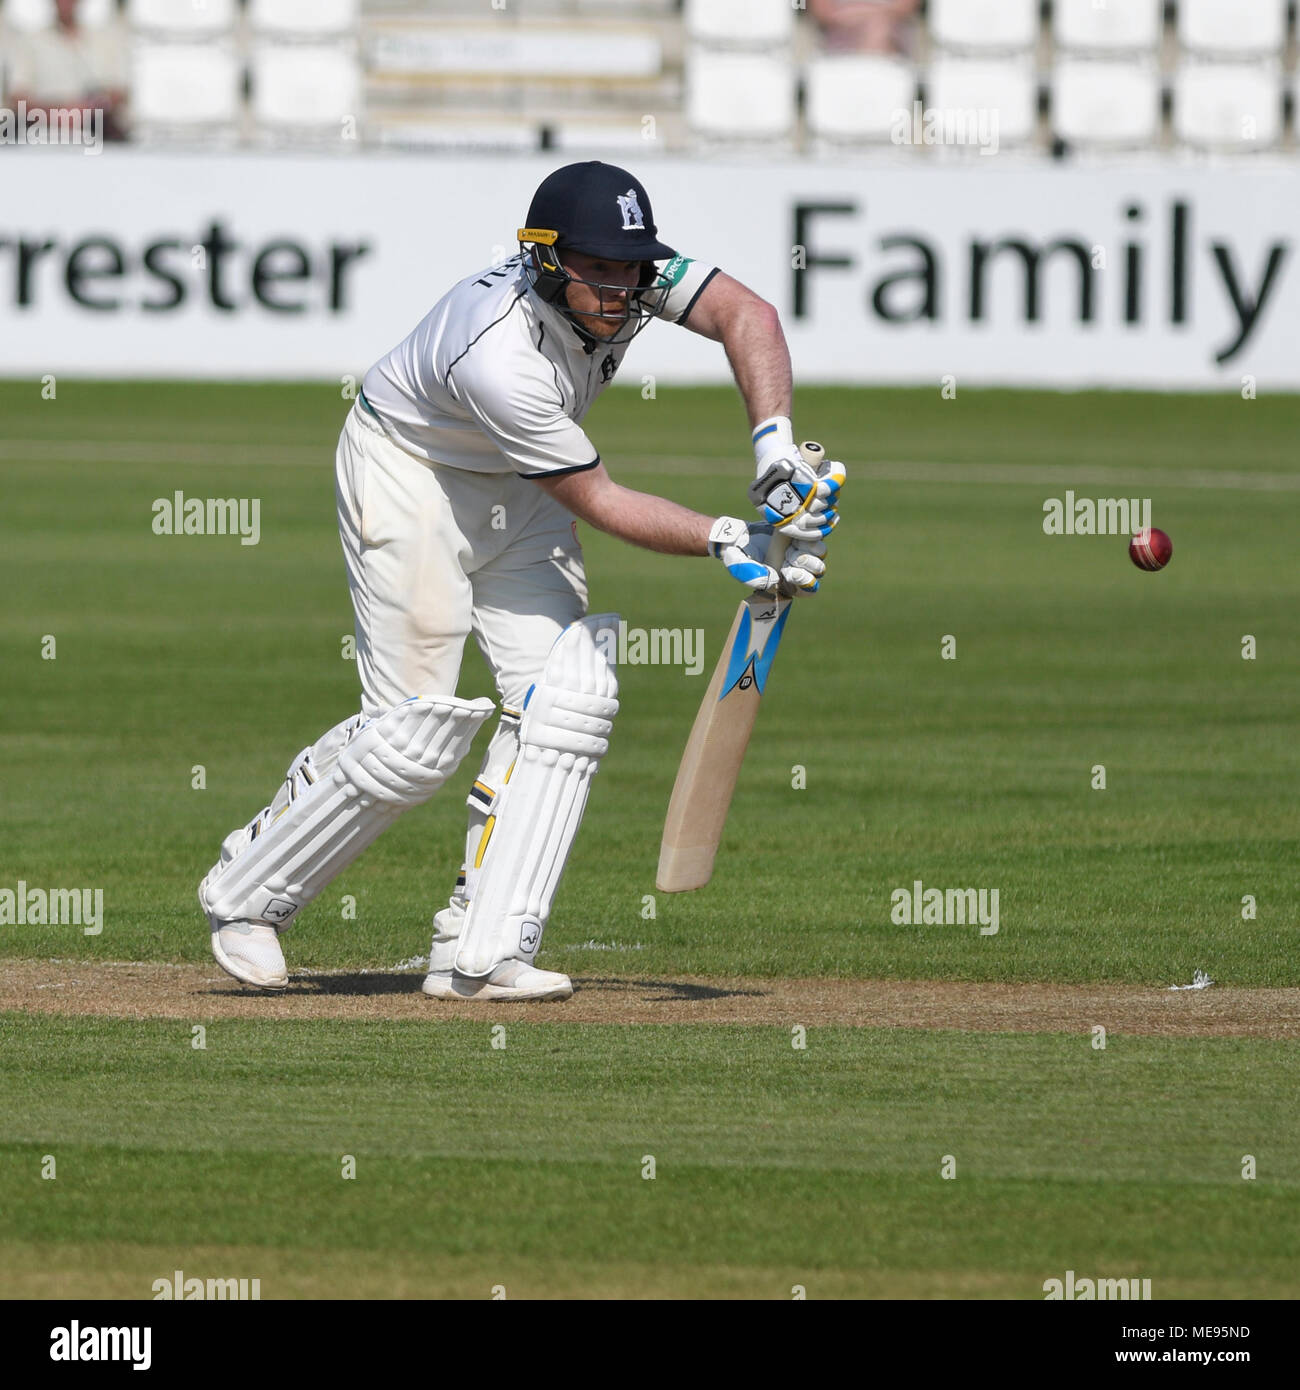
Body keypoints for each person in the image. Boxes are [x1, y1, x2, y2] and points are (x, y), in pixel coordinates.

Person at [198, 161, 845, 1003]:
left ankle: (482, 950)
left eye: (633, 266)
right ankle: (246, 896)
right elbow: (602, 500)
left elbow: (744, 313)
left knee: (568, 697)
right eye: (600, 268)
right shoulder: (499, 353)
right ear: (547, 260)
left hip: (520, 485)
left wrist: (774, 446)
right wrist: (733, 536)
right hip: (411, 471)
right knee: (411, 741)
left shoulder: (630, 275)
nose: (622, 287)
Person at [4, 0, 129, 142]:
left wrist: (86, 110)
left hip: (96, 131)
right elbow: (17, 95)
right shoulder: (30, 41)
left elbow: (118, 93)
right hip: (39, 132)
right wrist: (58, 114)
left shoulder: (104, 40)